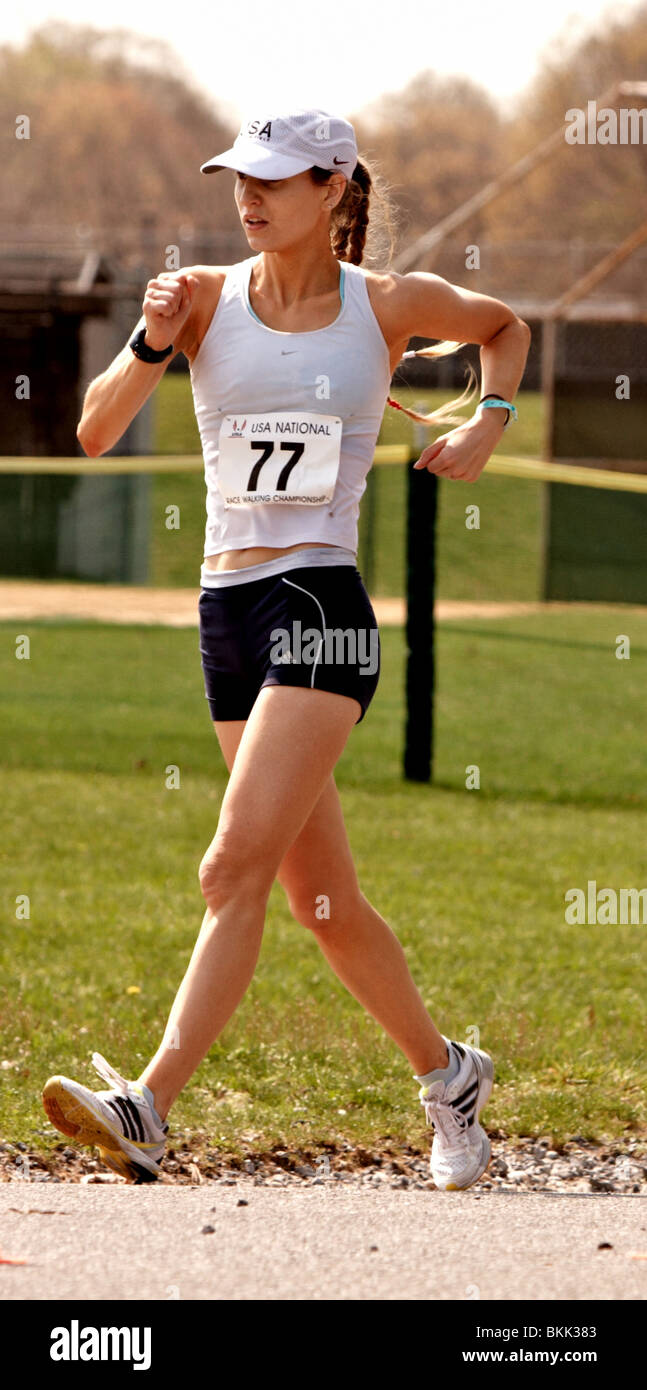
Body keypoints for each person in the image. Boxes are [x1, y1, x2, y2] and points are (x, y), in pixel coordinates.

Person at [42, 107, 530, 1191]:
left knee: (230, 864)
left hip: (320, 604)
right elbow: (92, 428)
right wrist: (148, 341)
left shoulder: (388, 305)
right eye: (236, 178)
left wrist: (485, 422)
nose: (245, 196)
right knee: (321, 905)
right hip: (227, 614)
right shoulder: (204, 298)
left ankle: (149, 1104)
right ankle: (449, 1077)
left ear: (332, 188)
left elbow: (505, 324)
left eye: (269, 179)